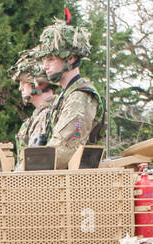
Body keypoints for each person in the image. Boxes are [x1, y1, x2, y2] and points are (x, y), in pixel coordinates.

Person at [37, 21, 102, 167]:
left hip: (75, 184)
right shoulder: (66, 95)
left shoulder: (80, 97)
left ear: (71, 58)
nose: (45, 66)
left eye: (51, 59)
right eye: (43, 60)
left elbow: (64, 149)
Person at [12, 48, 56, 169]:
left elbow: (35, 164)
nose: (20, 88)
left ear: (37, 83)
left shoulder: (49, 114)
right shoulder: (38, 116)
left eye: (23, 82)